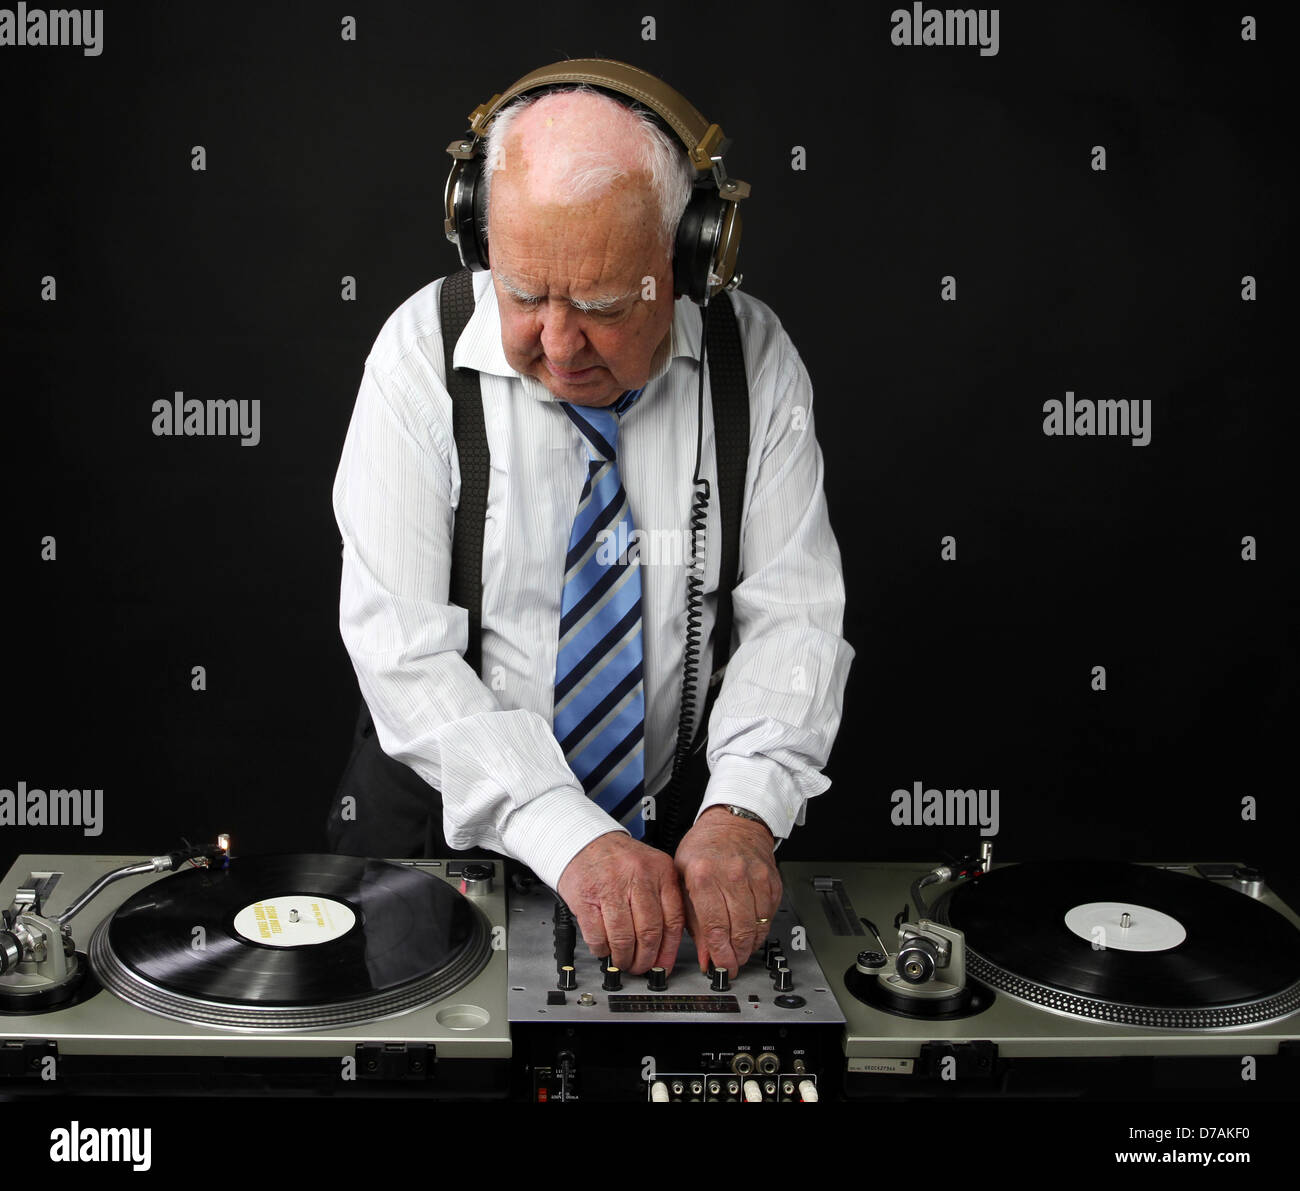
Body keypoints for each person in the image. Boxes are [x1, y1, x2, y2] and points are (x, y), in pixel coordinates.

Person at [330, 64, 853, 981]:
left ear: (690, 257)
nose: (558, 344)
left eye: (604, 306)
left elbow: (794, 619)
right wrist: (568, 834)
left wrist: (743, 809)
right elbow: (400, 653)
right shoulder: (418, 354)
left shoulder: (754, 361)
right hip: (435, 842)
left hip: (677, 843)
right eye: (524, 294)